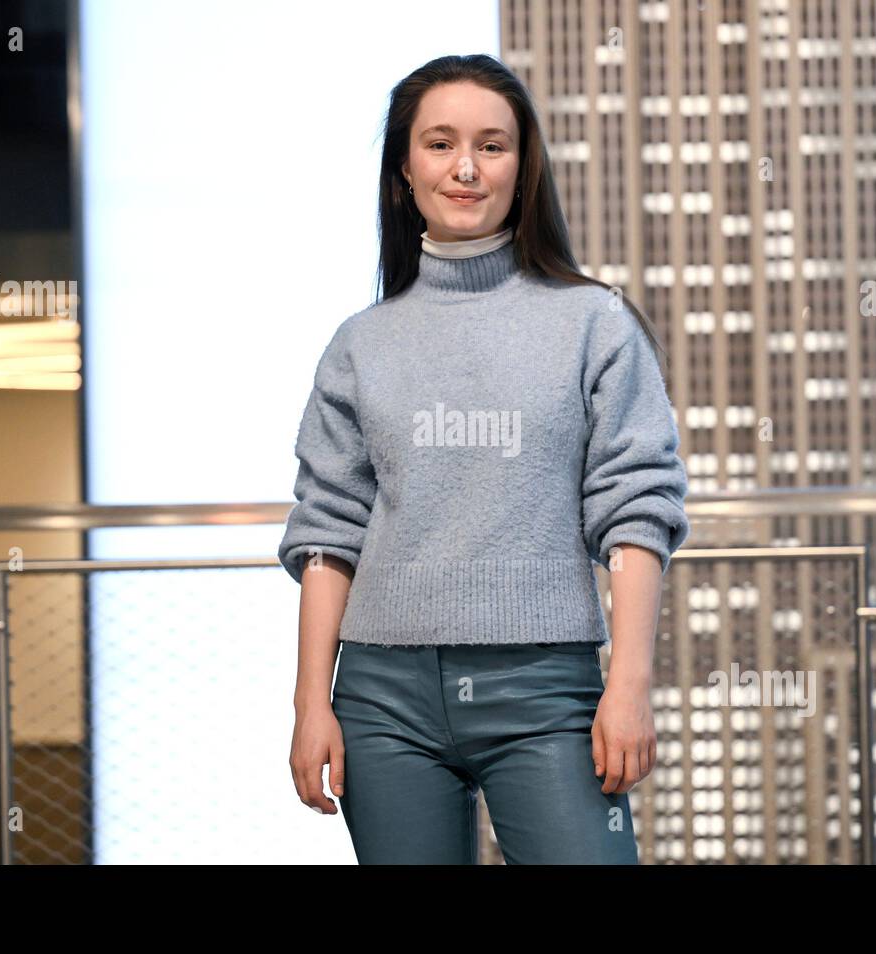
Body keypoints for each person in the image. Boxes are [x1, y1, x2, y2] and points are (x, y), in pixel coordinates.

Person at [279, 54, 689, 864]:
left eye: (492, 146)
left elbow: (636, 508)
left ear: (522, 167)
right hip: (381, 697)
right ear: (405, 167)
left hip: (547, 690)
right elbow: (328, 530)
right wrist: (309, 704)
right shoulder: (359, 345)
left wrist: (630, 683)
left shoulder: (594, 323)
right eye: (439, 143)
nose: (465, 166)